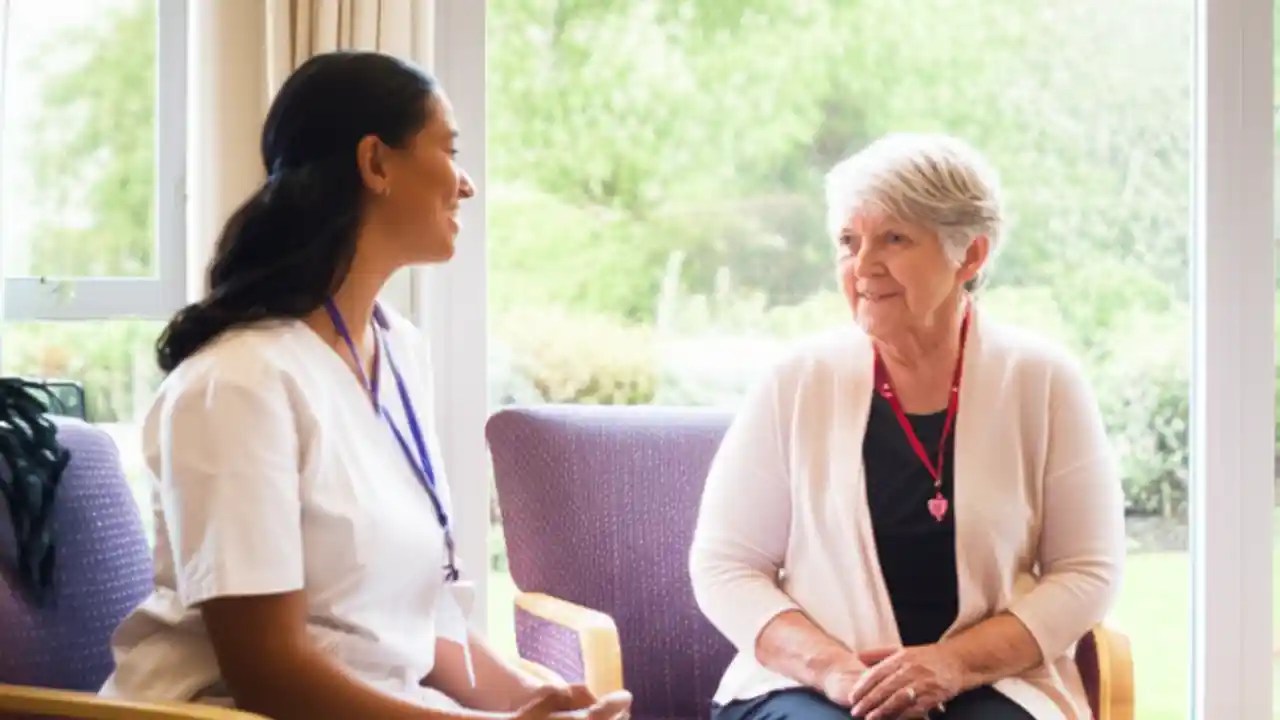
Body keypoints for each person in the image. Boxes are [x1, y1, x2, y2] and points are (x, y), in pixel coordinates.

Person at [98, 51, 631, 720]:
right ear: (376, 163)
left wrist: (534, 701)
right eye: (449, 150)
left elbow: (410, 619)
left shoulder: (400, 352)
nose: (466, 183)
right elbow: (271, 675)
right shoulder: (238, 383)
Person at [689, 133, 1124, 720]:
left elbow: (1087, 570)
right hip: (812, 688)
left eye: (894, 238)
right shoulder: (796, 381)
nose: (863, 265)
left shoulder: (1044, 381)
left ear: (969, 255)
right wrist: (835, 672)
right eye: (848, 241)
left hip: (990, 682)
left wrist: (952, 665)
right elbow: (725, 566)